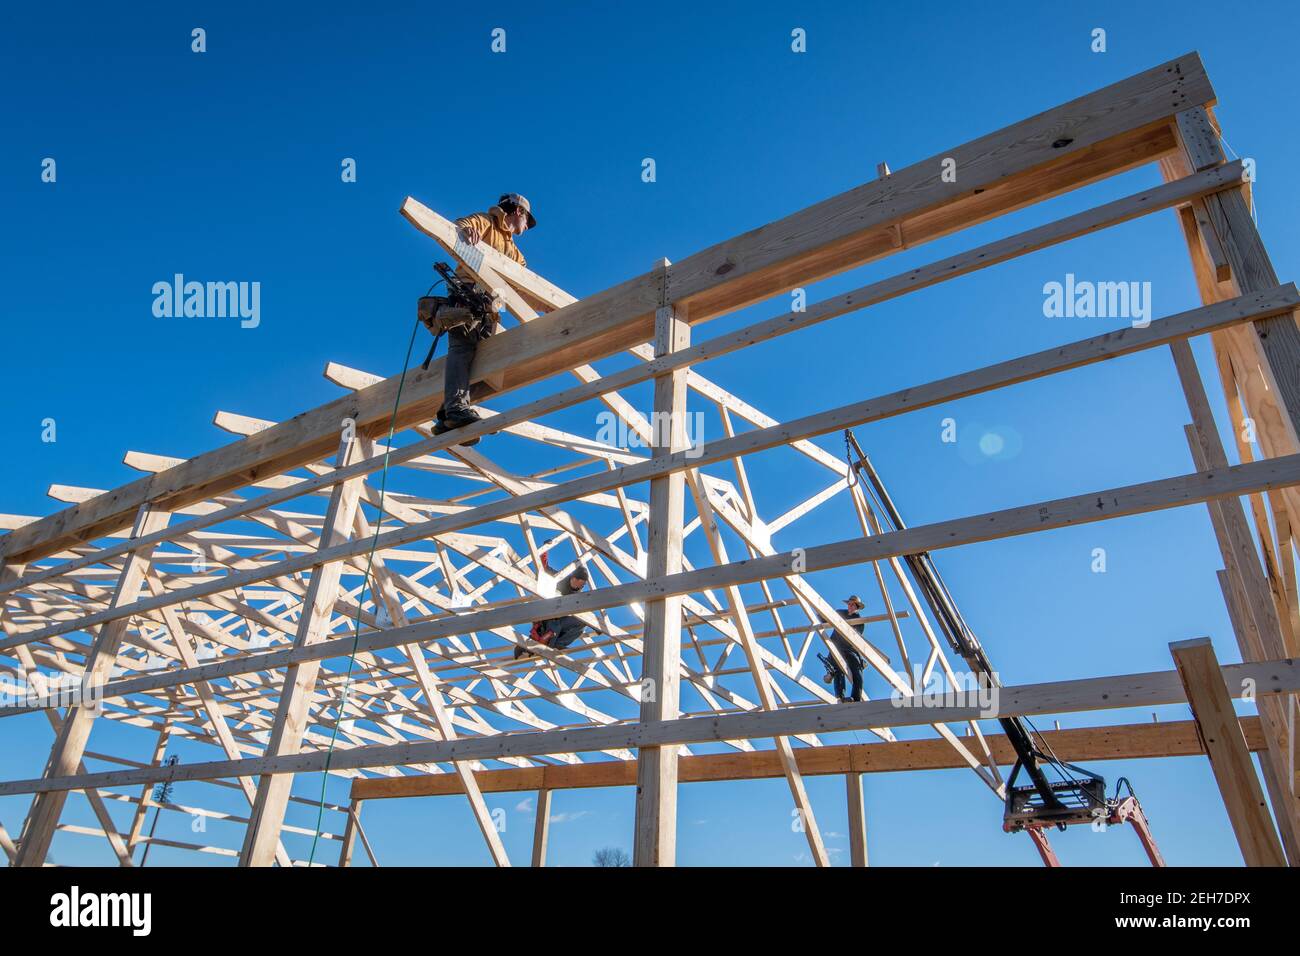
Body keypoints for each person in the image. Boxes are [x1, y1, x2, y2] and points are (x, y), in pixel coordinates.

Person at [433, 193, 537, 439]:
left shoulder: (515, 253)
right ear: (518, 212)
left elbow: (522, 286)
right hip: (468, 296)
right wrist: (466, 233)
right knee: (462, 349)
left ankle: (449, 411)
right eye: (527, 220)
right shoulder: (486, 221)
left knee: (492, 368)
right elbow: (458, 227)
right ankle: (455, 408)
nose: (526, 226)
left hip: (490, 309)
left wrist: (545, 306)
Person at [515, 566, 589, 659]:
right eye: (582, 584)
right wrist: (542, 558)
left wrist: (596, 626)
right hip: (548, 615)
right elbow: (543, 567)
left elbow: (586, 611)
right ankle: (542, 644)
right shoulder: (560, 578)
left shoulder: (578, 594)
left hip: (561, 619)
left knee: (582, 621)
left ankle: (559, 644)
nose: (582, 586)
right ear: (574, 579)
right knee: (553, 627)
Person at [821, 594, 867, 703]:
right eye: (849, 604)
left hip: (849, 649)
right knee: (838, 669)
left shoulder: (859, 620)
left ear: (857, 607)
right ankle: (840, 697)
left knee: (857, 672)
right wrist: (819, 615)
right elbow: (826, 617)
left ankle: (855, 698)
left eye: (853, 605)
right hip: (837, 647)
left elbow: (856, 638)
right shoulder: (840, 613)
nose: (850, 606)